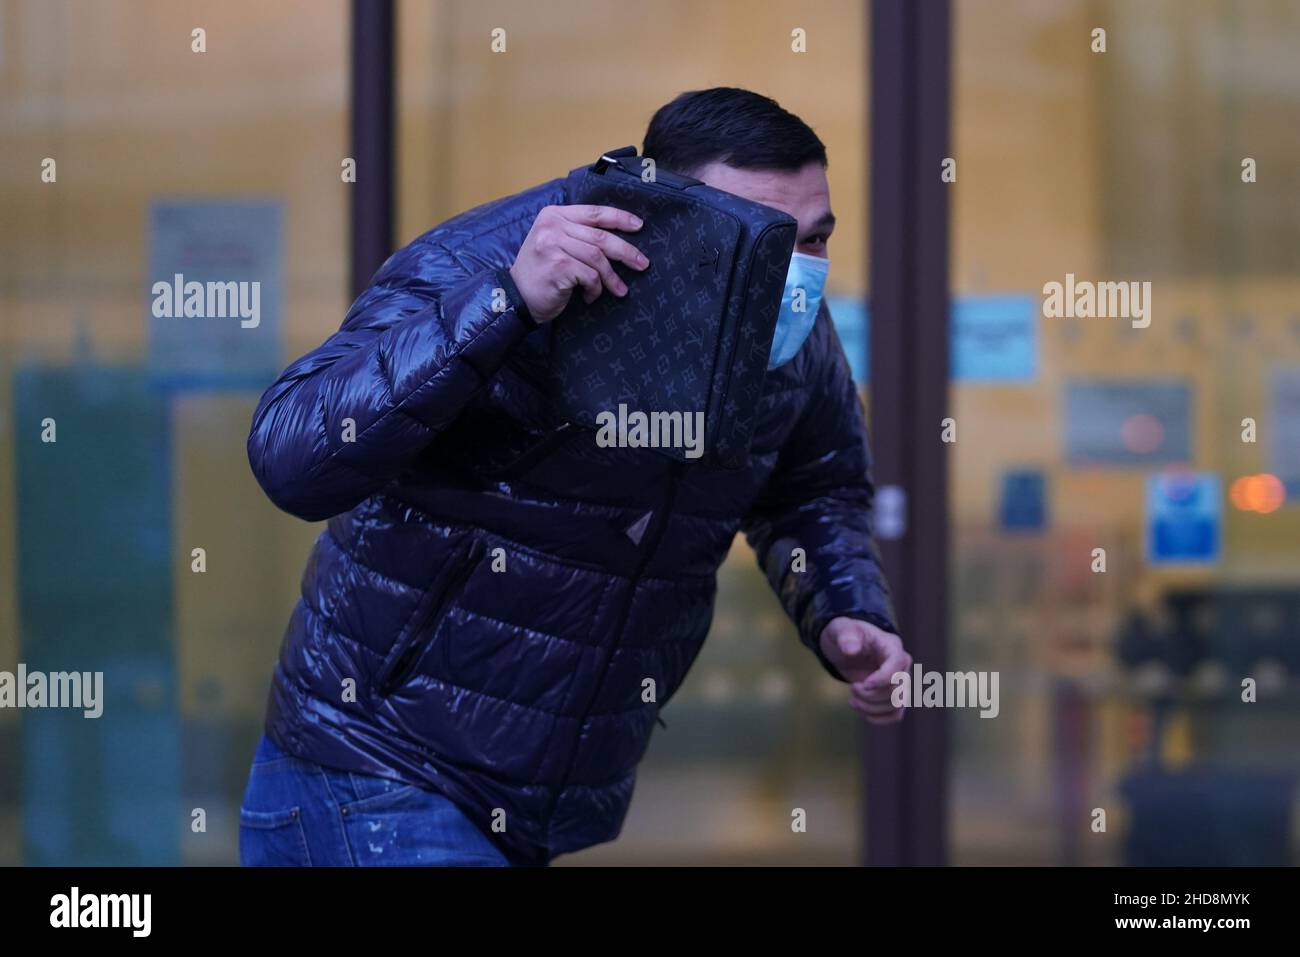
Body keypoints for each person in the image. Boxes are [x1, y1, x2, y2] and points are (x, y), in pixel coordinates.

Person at [238, 87, 909, 867]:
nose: (794, 268)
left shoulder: (791, 328)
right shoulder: (496, 258)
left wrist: (844, 607)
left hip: (531, 803)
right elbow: (292, 454)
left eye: (816, 238)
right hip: (376, 769)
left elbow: (814, 486)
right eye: (765, 236)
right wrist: (506, 304)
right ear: (671, 208)